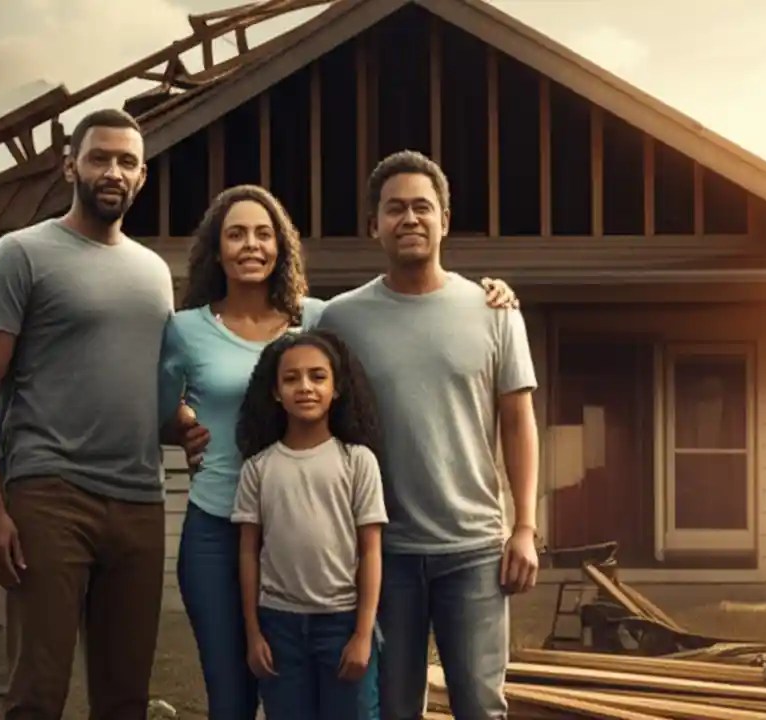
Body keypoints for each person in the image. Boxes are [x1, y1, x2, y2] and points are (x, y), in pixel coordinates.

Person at [158, 185, 520, 719]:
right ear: (215, 249)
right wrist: (186, 428)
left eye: (264, 234)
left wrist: (494, 292)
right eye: (235, 234)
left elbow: (396, 316)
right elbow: (159, 408)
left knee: (320, 685)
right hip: (218, 522)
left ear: (282, 247)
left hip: (308, 530)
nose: (251, 245)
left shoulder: (321, 317)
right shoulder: (185, 329)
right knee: (233, 693)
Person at [313, 150, 542, 720]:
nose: (409, 218)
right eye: (395, 209)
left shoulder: (493, 311)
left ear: (445, 220)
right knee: (393, 710)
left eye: (423, 207)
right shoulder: (340, 320)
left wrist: (526, 527)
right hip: (380, 550)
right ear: (374, 226)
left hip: (474, 551)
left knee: (481, 707)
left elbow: (518, 421)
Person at [0, 107, 173, 720]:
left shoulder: (155, 273)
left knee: (125, 696)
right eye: (100, 157)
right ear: (70, 166)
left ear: (142, 177)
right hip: (49, 496)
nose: (113, 170)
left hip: (140, 501)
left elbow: (144, 382)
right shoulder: (21, 253)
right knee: (37, 694)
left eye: (126, 161)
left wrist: (183, 422)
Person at [231, 329, 388, 720]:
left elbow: (370, 550)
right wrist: (253, 633)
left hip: (342, 623)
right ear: (274, 392)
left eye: (318, 376)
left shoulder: (357, 461)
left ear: (336, 389)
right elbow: (249, 552)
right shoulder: (258, 468)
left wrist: (362, 635)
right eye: (291, 378)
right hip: (278, 626)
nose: (305, 387)